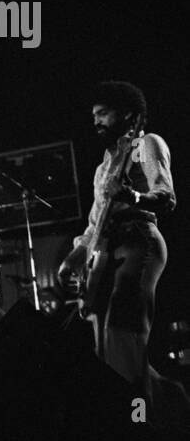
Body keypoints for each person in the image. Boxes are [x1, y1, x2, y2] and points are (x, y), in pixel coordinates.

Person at [58, 81, 176, 405]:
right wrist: (74, 257)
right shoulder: (101, 169)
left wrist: (133, 195)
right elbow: (95, 224)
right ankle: (171, 404)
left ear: (129, 115)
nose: (96, 121)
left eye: (104, 114)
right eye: (94, 115)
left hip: (139, 240)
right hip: (104, 253)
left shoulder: (147, 145)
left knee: (123, 333)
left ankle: (137, 427)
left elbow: (166, 197)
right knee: (106, 349)